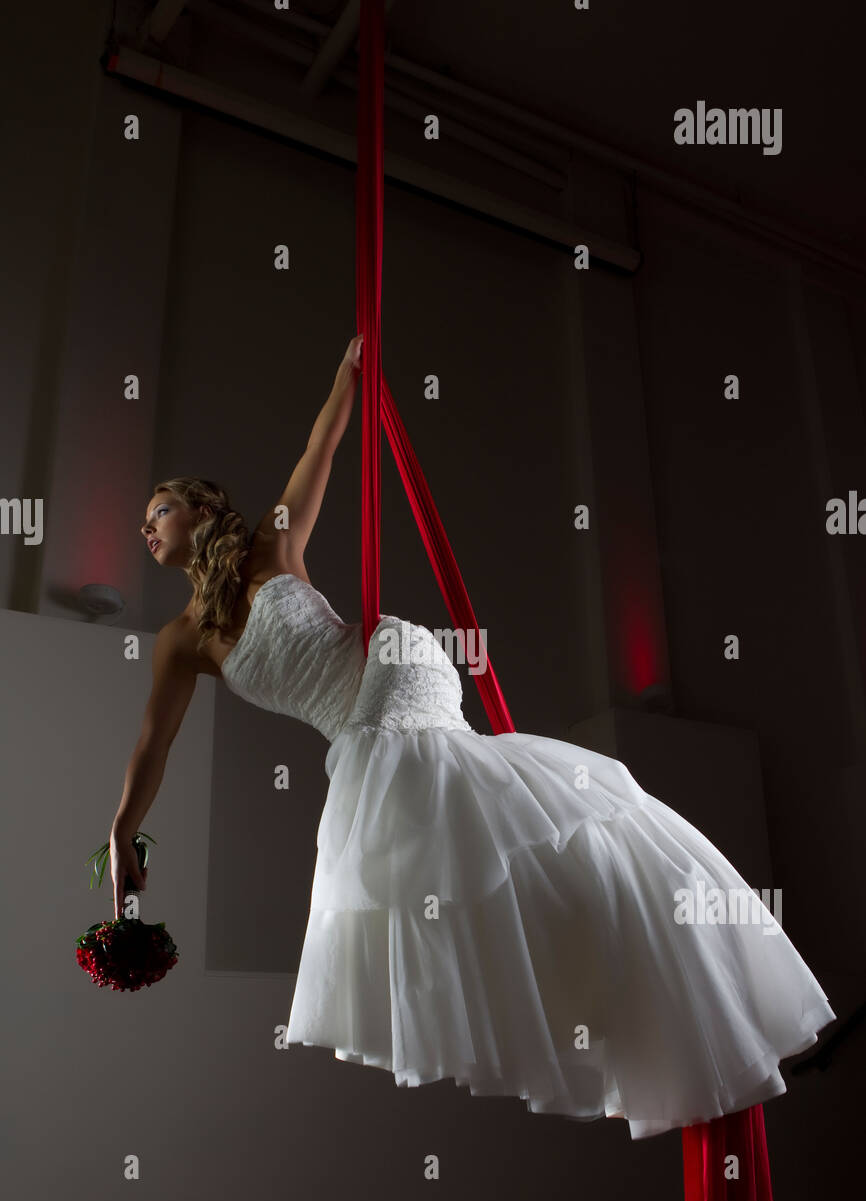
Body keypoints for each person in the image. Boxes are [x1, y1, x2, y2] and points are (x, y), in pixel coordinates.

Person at [111, 334, 835, 1140]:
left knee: (392, 803)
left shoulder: (270, 548)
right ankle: (593, 945)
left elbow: (323, 446)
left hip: (397, 669)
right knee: (449, 839)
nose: (148, 530)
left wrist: (351, 373)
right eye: (144, 524)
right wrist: (121, 831)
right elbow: (153, 745)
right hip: (358, 726)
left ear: (202, 509)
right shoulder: (180, 642)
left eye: (159, 511)